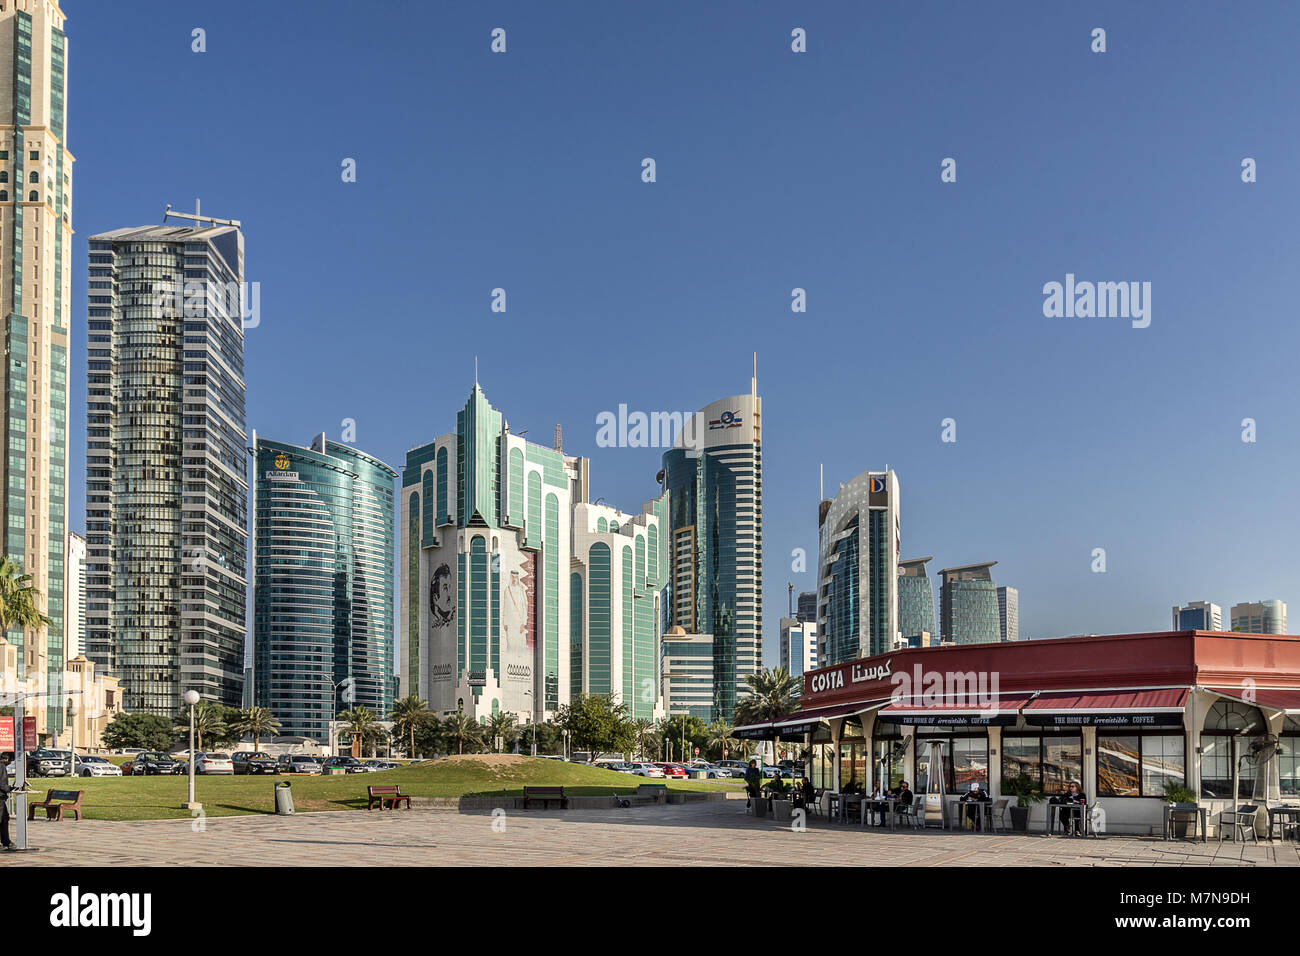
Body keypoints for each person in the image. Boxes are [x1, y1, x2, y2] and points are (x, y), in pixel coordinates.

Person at [0, 753, 12, 850]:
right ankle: (5, 842)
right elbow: (2, 784)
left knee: (4, 818)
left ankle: (6, 841)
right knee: (3, 819)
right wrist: (10, 789)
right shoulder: (1, 766)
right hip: (0, 797)